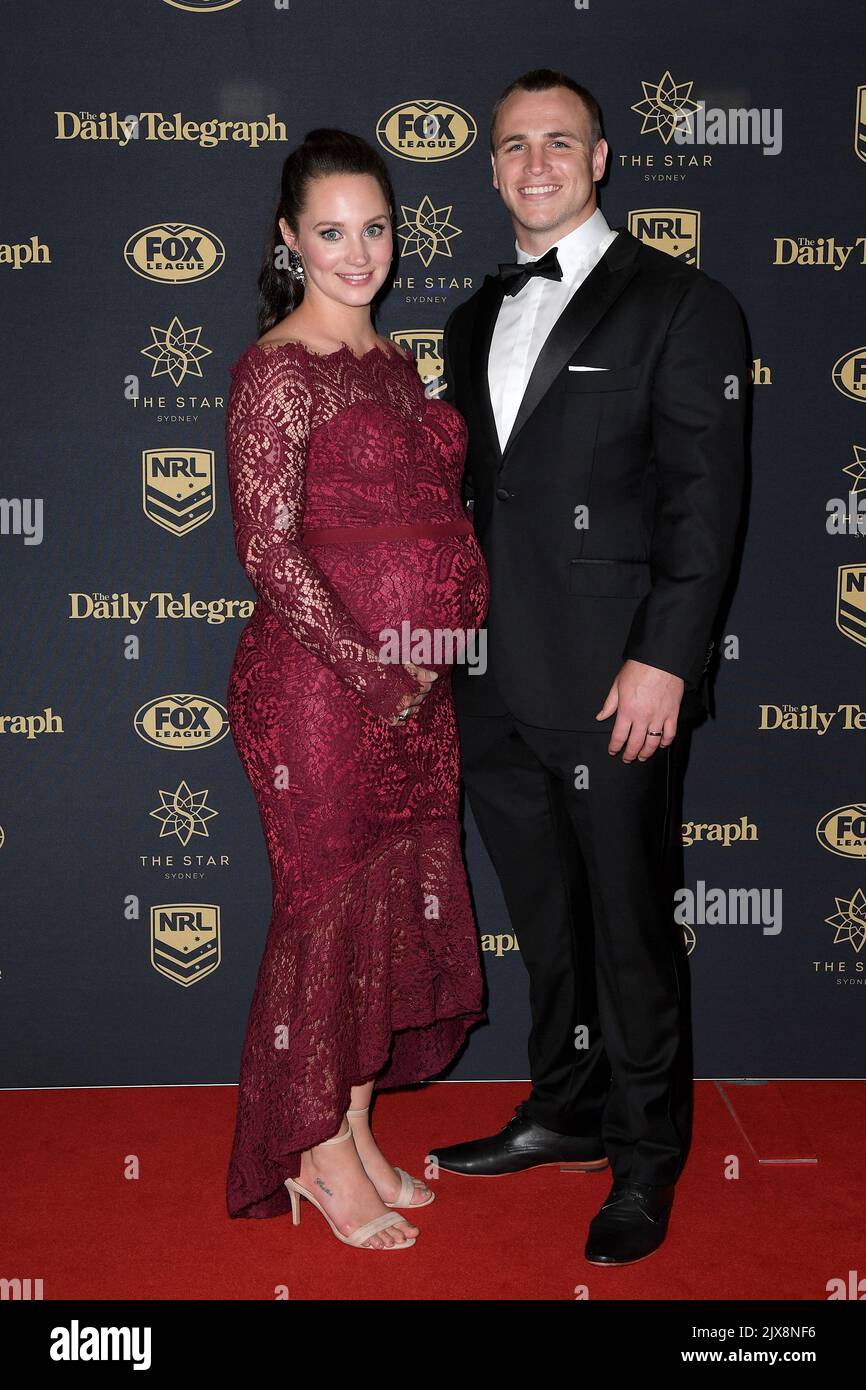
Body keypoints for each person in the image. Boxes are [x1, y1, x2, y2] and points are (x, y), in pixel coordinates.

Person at [430, 69, 748, 1265]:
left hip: (616, 685)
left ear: (602, 156)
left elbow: (701, 507)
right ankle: (564, 1109)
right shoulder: (470, 319)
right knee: (548, 925)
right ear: (493, 167)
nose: (535, 163)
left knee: (627, 928)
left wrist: (663, 661)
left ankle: (645, 1155)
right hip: (491, 685)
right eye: (512, 146)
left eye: (557, 142)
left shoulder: (681, 304)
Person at [223, 128, 489, 1251]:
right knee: (326, 910)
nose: (356, 250)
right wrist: (378, 672)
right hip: (318, 694)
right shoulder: (275, 369)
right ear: (289, 240)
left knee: (387, 910)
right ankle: (316, 1158)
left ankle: (359, 1128)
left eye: (373, 227)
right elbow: (268, 551)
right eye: (330, 231)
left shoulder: (392, 363)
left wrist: (426, 655)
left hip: (414, 692)